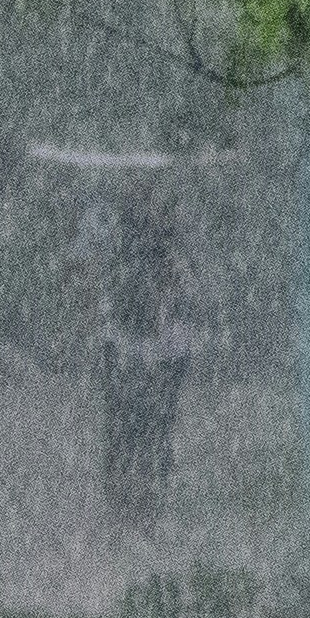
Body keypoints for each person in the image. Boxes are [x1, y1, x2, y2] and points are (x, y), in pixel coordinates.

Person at [95, 198, 201, 534]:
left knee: (134, 430)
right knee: (147, 429)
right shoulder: (167, 246)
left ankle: (135, 507)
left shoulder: (131, 243)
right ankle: (140, 507)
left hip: (143, 350)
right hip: (147, 350)